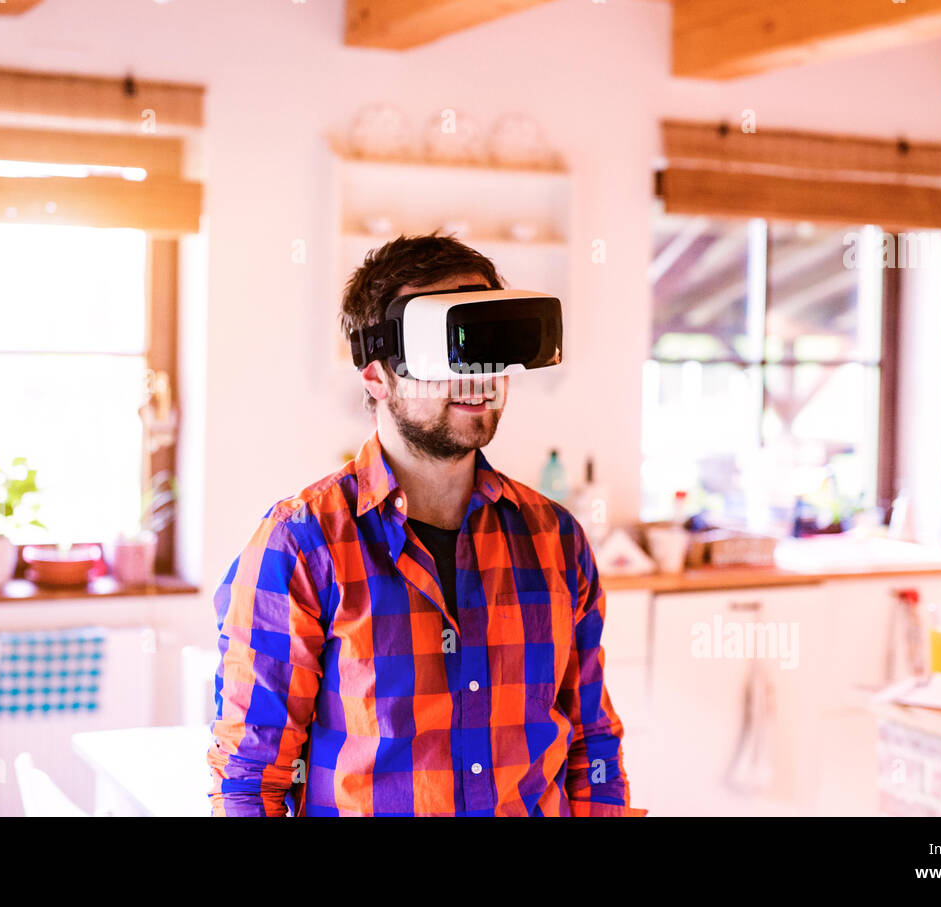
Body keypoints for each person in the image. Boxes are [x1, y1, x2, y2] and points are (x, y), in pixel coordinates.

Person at [208, 232, 645, 816]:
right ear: (376, 377)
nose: (479, 376)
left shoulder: (556, 539)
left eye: (489, 343)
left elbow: (593, 747)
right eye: (451, 347)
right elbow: (248, 779)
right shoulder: (301, 544)